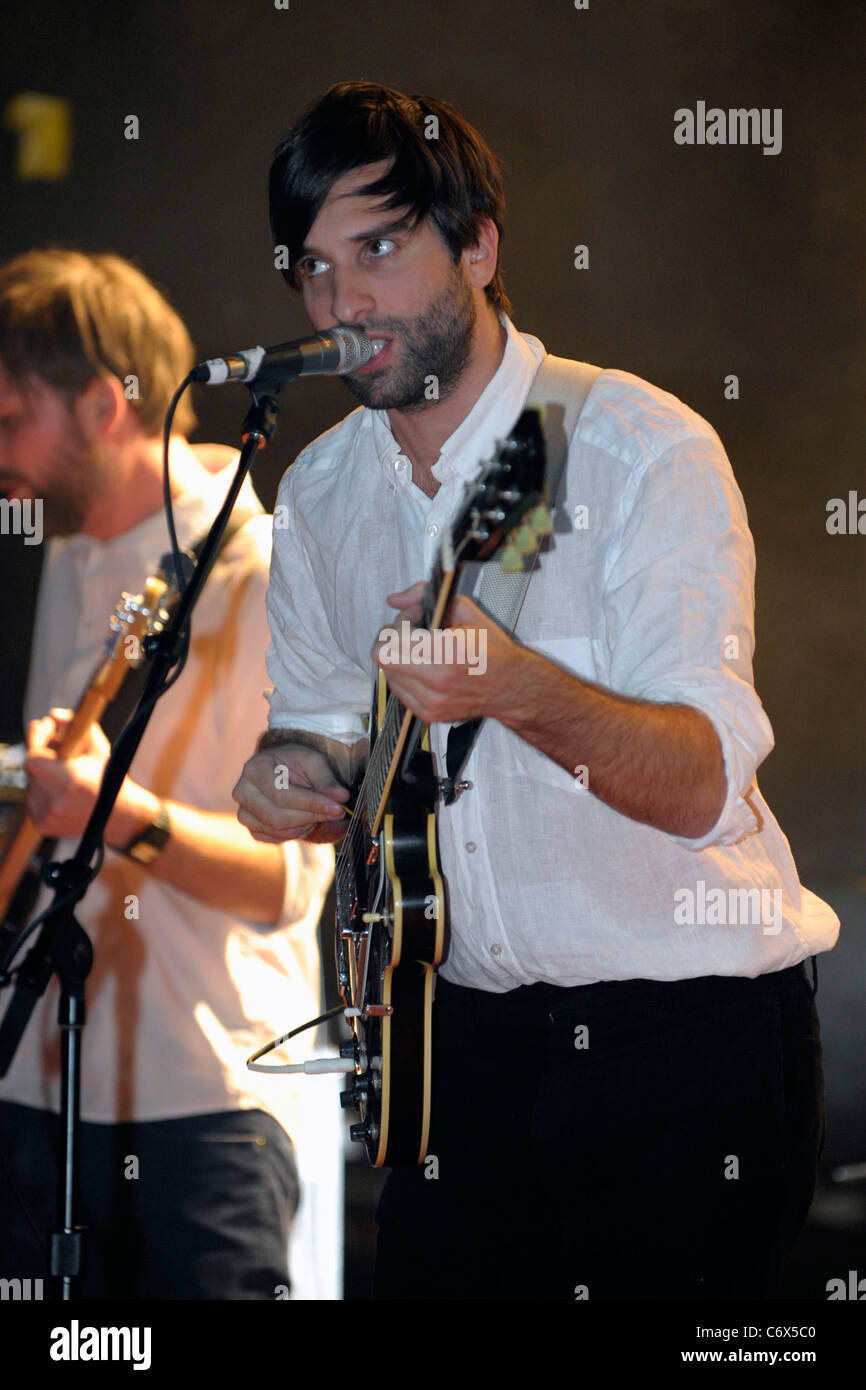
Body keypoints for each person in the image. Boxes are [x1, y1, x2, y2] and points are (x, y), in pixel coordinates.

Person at [233, 81, 839, 1301]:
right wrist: (288, 773)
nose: (342, 302)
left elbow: (703, 786)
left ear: (478, 247)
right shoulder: (319, 493)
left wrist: (513, 686)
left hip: (679, 1036)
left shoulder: (631, 448)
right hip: (457, 1042)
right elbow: (323, 731)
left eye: (381, 249)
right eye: (312, 268)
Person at [0, 249, 335, 1299]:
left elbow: (284, 887)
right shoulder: (65, 555)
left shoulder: (260, 569)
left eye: (11, 420)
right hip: (40, 1088)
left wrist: (121, 812)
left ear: (105, 403)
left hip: (207, 1103)